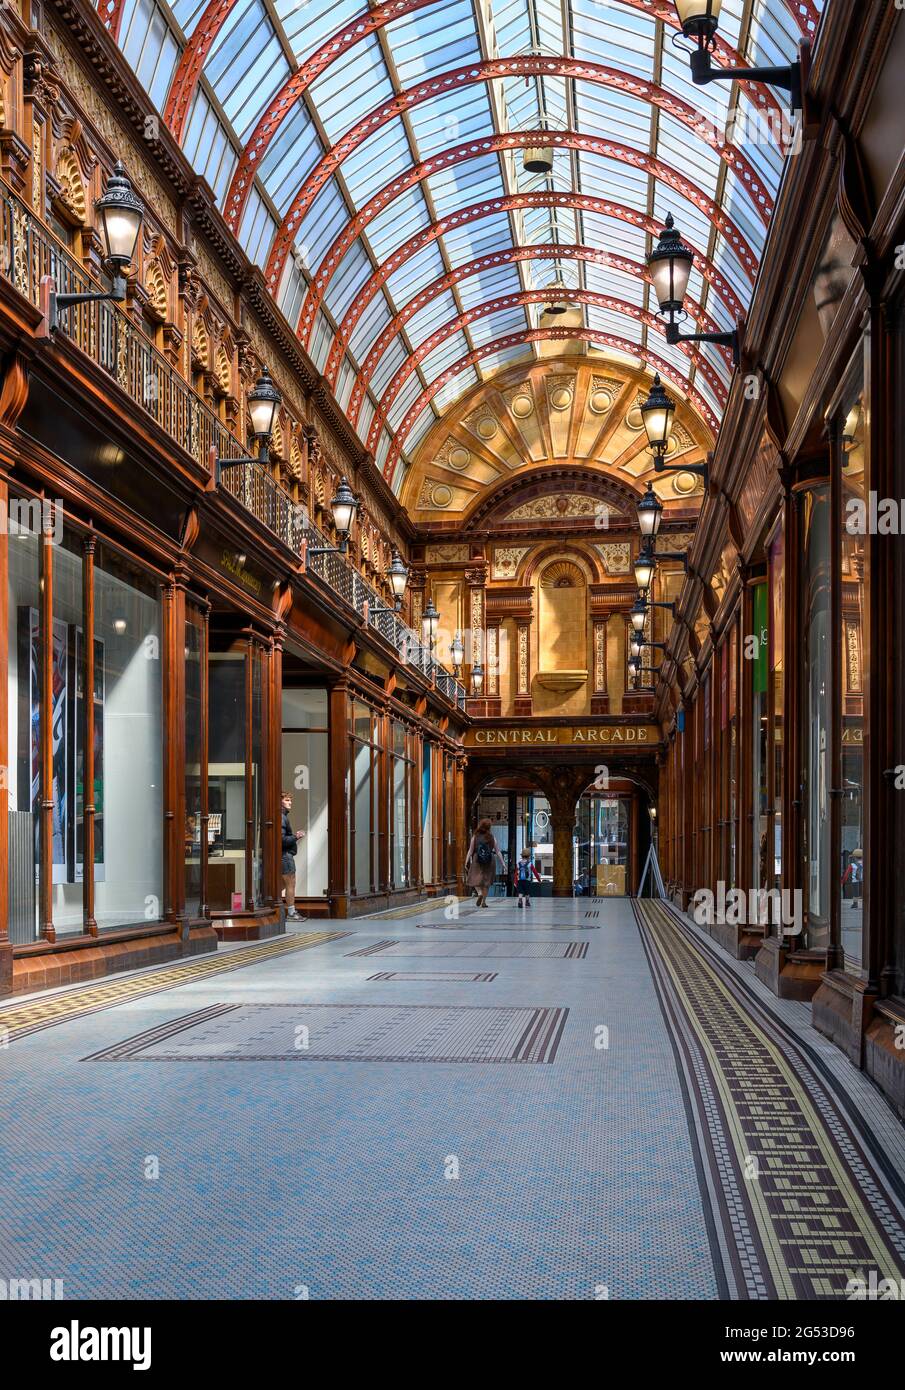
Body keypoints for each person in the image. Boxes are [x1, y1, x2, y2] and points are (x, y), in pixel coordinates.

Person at [465, 817, 505, 908]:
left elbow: (470, 850)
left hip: (477, 860)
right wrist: (503, 863)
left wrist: (466, 860)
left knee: (473, 878)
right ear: (489, 827)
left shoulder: (475, 837)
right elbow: (497, 851)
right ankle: (484, 902)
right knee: (486, 882)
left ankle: (479, 893)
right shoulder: (492, 837)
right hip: (489, 860)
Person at [281, 791, 305, 920]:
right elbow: (282, 840)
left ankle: (282, 909)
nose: (290, 803)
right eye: (287, 800)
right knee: (290, 883)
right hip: (285, 856)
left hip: (284, 856)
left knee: (283, 884)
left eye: (290, 800)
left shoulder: (282, 816)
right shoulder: (281, 817)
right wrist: (296, 836)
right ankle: (291, 912)